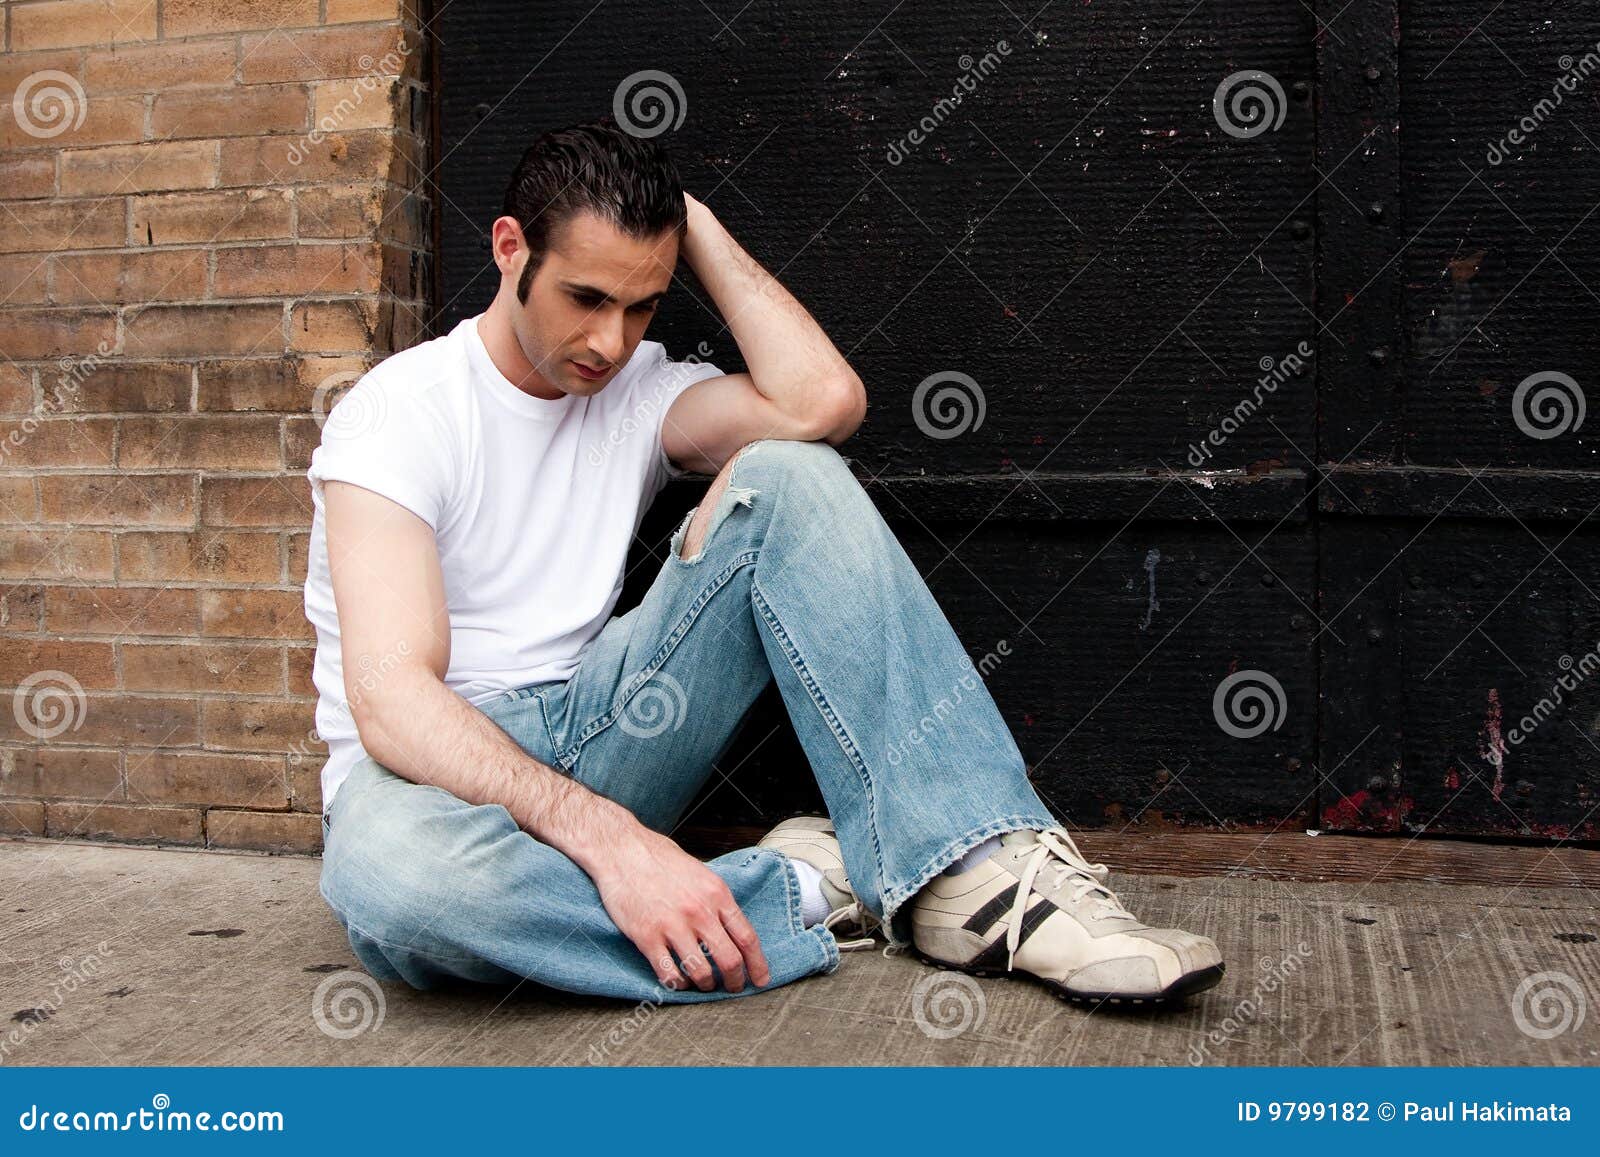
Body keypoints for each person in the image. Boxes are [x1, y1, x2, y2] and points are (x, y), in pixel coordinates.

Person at [303, 118, 1224, 1007]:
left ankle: (975, 874)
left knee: (789, 476)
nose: (610, 343)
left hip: (602, 730)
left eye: (642, 303)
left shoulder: (635, 394)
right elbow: (392, 697)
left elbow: (821, 400)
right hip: (428, 788)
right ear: (510, 248)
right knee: (404, 890)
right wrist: (614, 842)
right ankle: (797, 889)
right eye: (586, 297)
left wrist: (688, 220)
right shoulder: (400, 415)